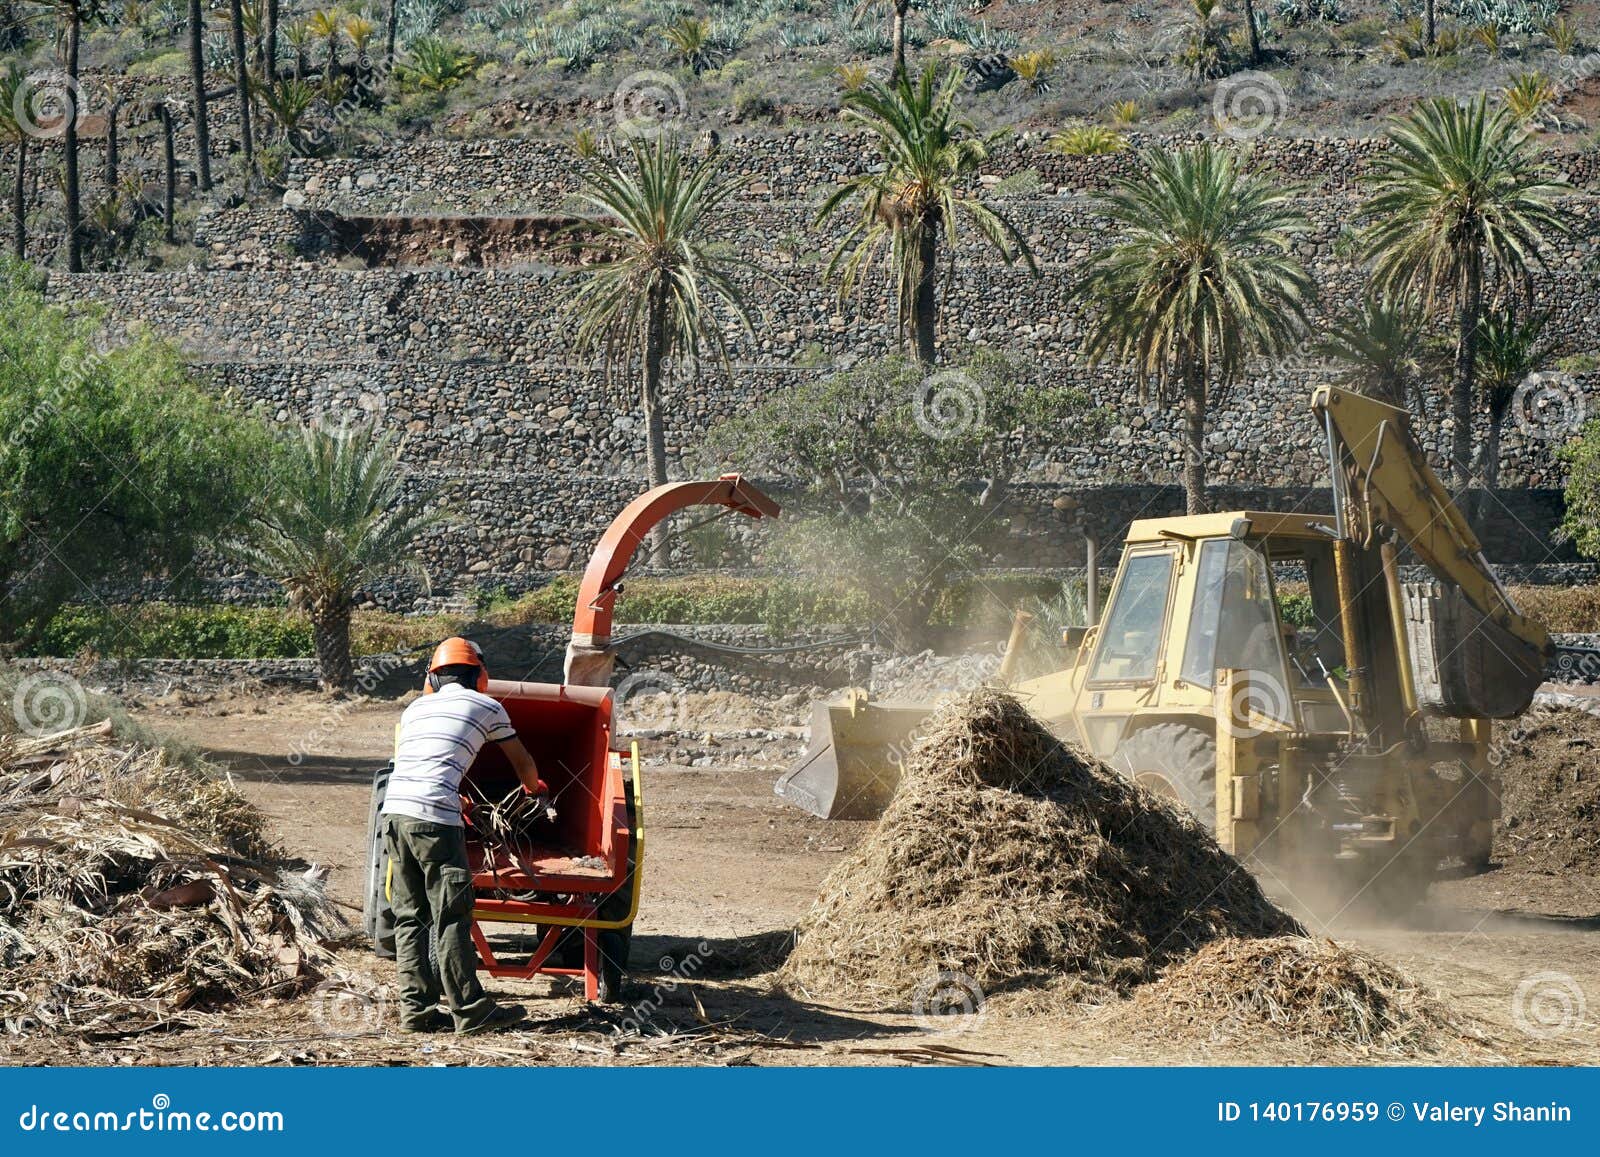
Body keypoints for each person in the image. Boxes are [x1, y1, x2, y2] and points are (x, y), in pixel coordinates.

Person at [383, 637, 545, 1034]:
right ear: (480, 676)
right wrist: (534, 790)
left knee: (410, 917)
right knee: (451, 916)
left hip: (395, 814)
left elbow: (421, 764)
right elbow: (523, 764)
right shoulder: (487, 706)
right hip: (435, 823)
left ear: (433, 679)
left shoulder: (415, 708)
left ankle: (416, 1013)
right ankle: (471, 1012)